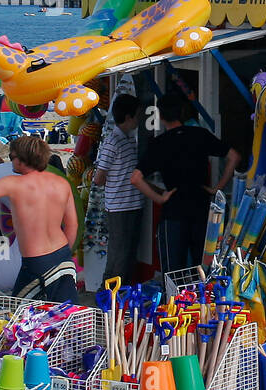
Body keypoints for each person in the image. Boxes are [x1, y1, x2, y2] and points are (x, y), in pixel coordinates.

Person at [0, 135, 78, 302]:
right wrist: (65, 252)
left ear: (22, 159)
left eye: (11, 157)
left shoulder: (13, 184)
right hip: (62, 254)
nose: (11, 161)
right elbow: (71, 225)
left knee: (22, 313)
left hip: (36, 261)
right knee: (65, 312)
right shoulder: (61, 183)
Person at [131, 93, 239, 272]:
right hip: (202, 209)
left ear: (161, 116)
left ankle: (174, 300)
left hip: (173, 211)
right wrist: (216, 189)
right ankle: (201, 300)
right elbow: (234, 157)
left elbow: (135, 178)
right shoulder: (200, 134)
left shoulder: (160, 143)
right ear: (182, 112)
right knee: (204, 269)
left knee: (173, 272)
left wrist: (160, 198)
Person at [94, 94, 145, 284]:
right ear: (129, 117)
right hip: (119, 207)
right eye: (137, 115)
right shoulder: (112, 141)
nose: (139, 120)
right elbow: (99, 177)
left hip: (133, 204)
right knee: (119, 254)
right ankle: (109, 292)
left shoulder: (129, 139)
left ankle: (123, 292)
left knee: (129, 252)